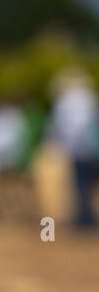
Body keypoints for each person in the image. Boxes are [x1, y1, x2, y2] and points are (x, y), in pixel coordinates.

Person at [48, 69, 99, 229]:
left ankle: (84, 219)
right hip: (93, 149)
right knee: (89, 185)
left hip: (79, 150)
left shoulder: (64, 102)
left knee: (81, 185)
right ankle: (87, 217)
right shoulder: (90, 98)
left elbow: (60, 127)